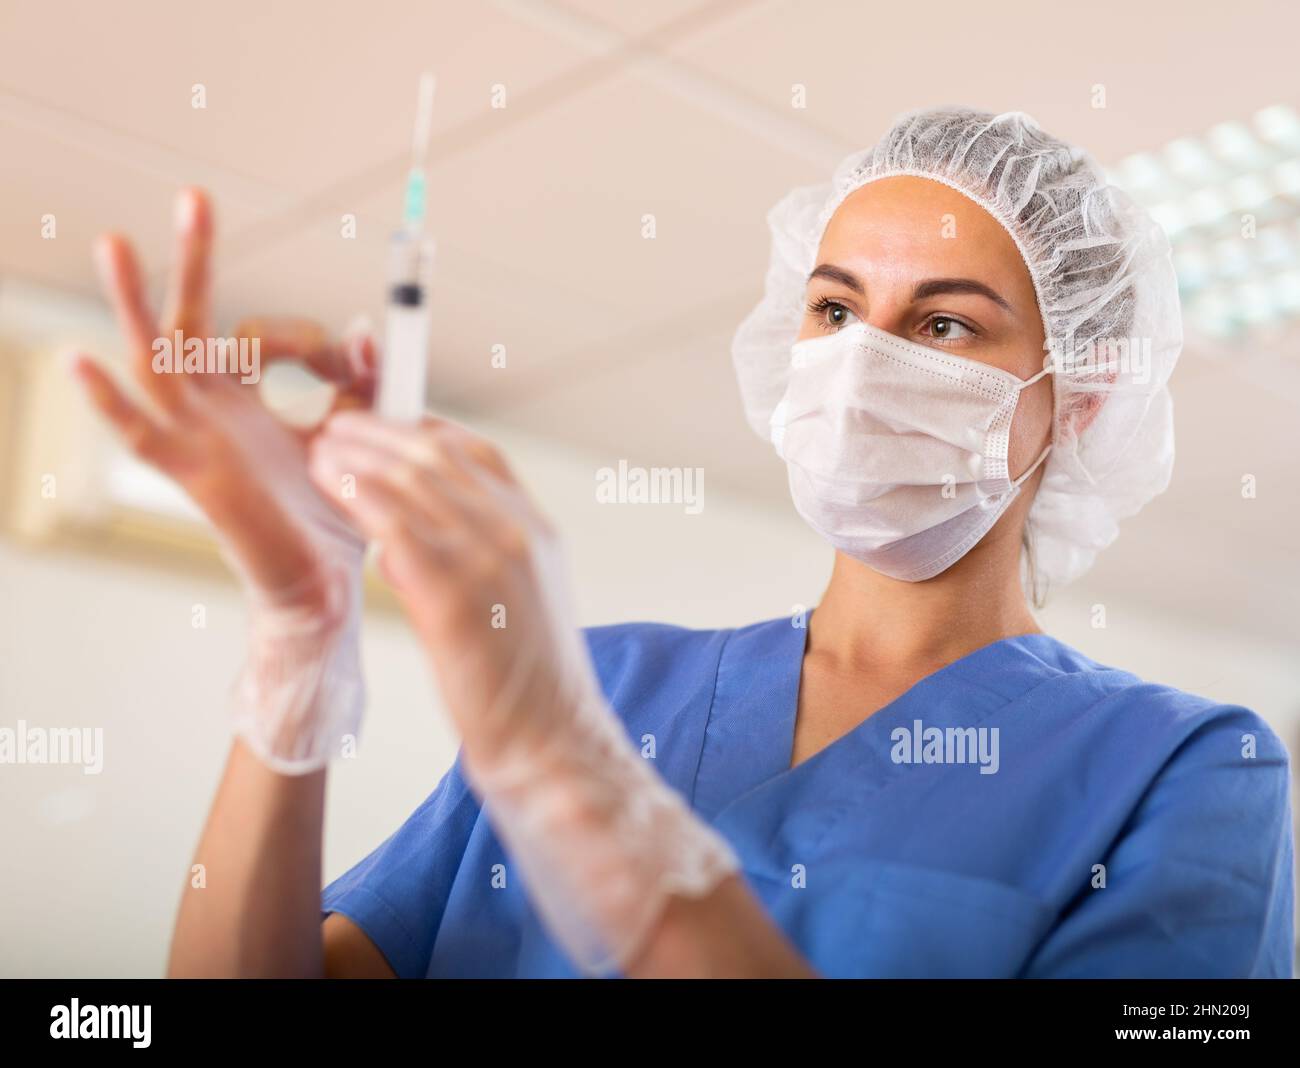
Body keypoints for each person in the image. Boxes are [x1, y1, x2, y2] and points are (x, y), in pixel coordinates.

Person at [74, 106, 1294, 979]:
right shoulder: (606, 680)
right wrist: (300, 630)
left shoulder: (1182, 771)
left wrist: (566, 770)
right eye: (833, 308)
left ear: (1076, 401)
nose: (862, 361)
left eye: (943, 325)